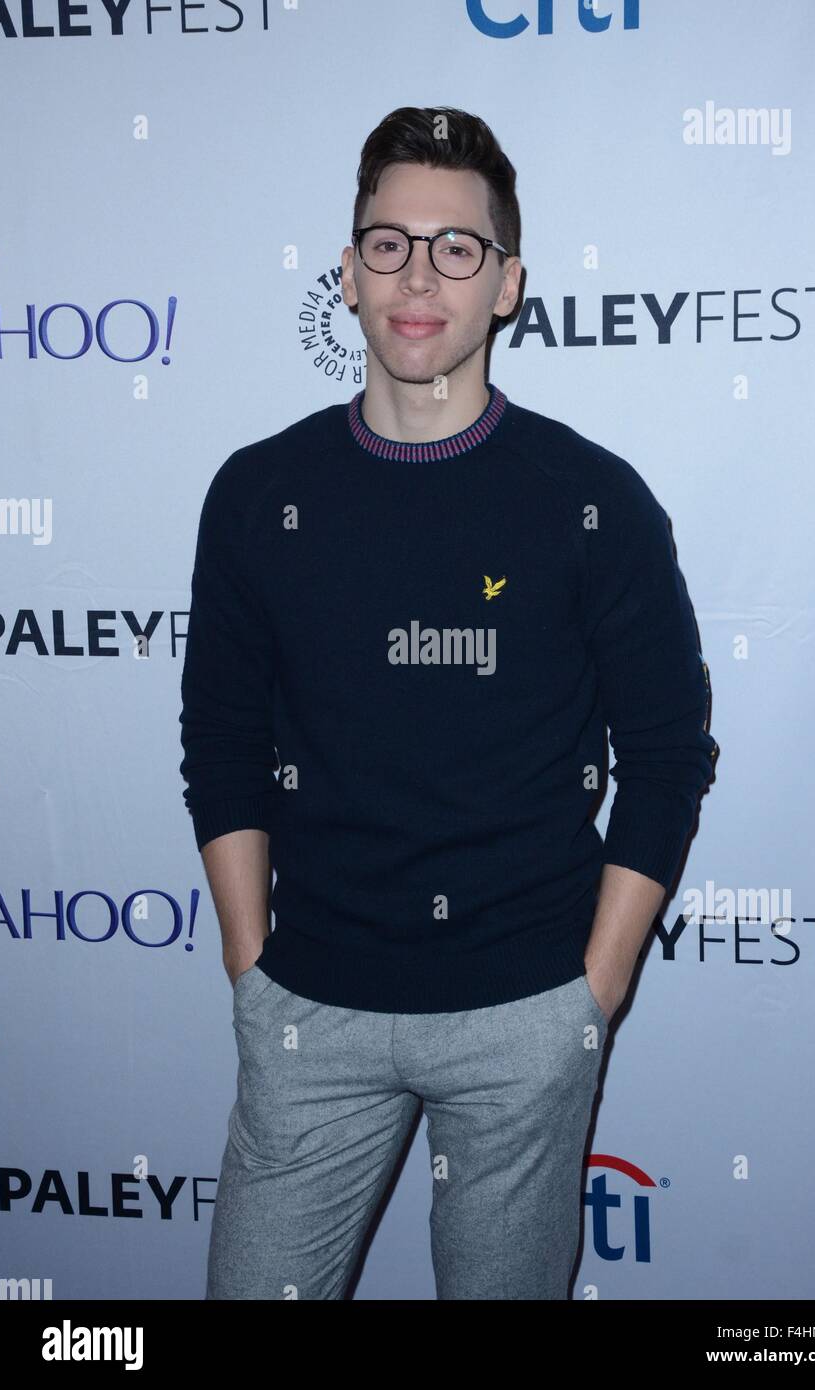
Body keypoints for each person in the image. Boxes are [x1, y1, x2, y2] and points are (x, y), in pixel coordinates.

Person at [179, 105, 718, 1301]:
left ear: (506, 284)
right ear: (347, 271)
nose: (417, 276)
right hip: (308, 1005)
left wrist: (597, 983)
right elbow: (219, 743)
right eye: (388, 243)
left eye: (455, 248)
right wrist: (249, 960)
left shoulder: (591, 500)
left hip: (527, 1008)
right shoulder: (259, 493)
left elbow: (668, 753)